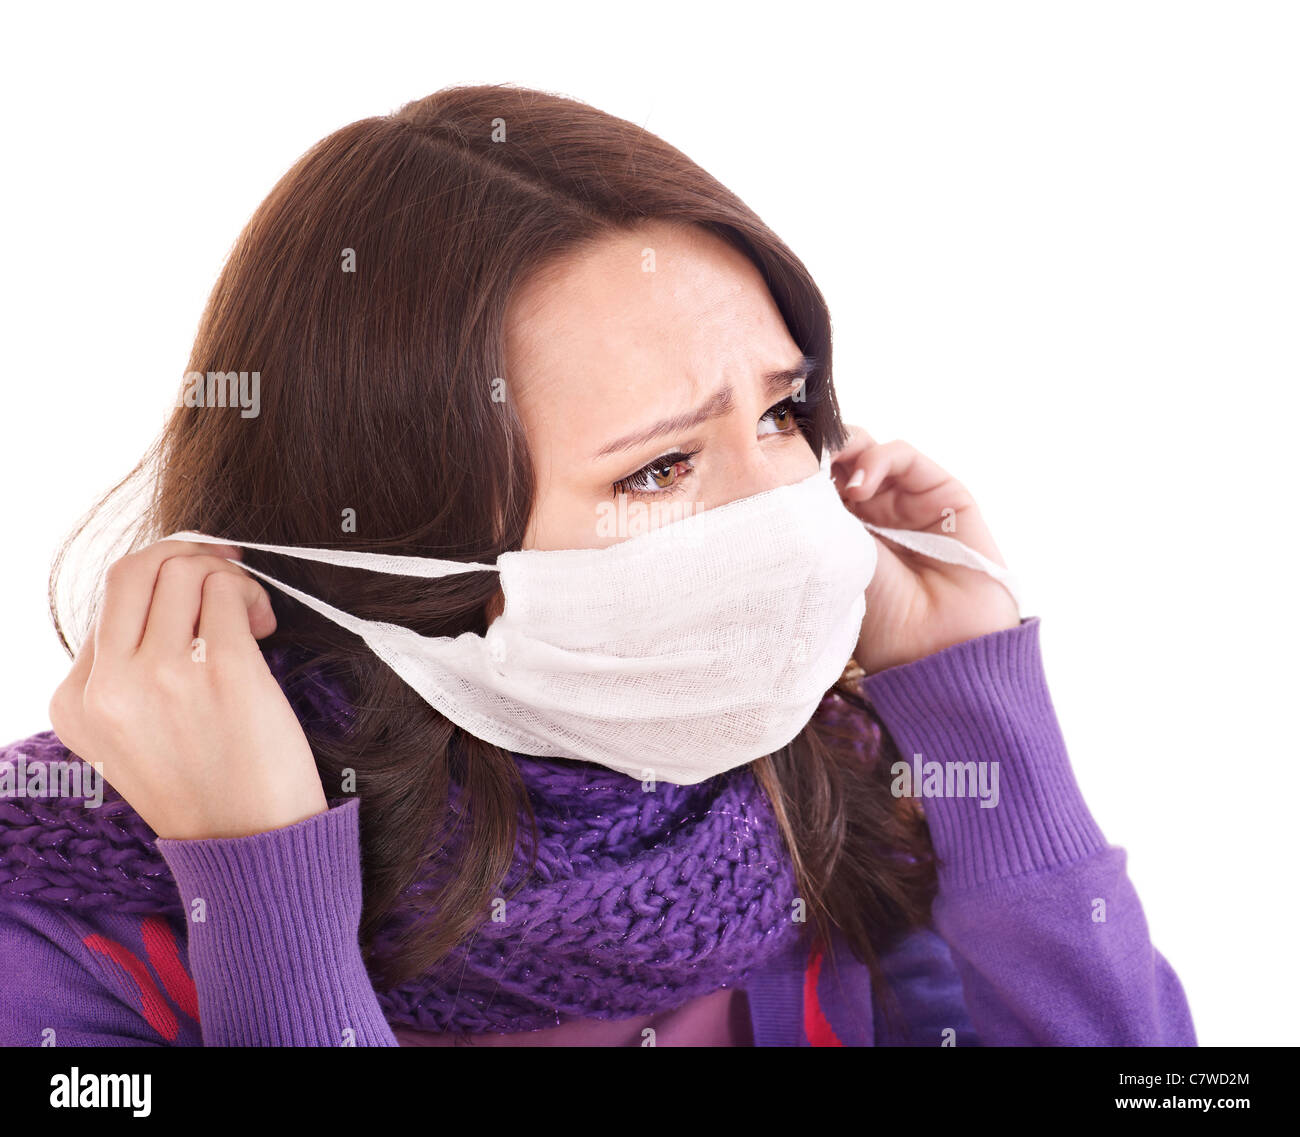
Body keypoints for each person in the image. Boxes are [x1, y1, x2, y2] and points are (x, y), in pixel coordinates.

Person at [0, 83, 1195, 1046]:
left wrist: (980, 724)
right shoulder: (63, 928)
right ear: (407, 548)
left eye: (781, 415)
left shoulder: (837, 817)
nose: (786, 508)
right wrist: (262, 895)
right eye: (656, 469)